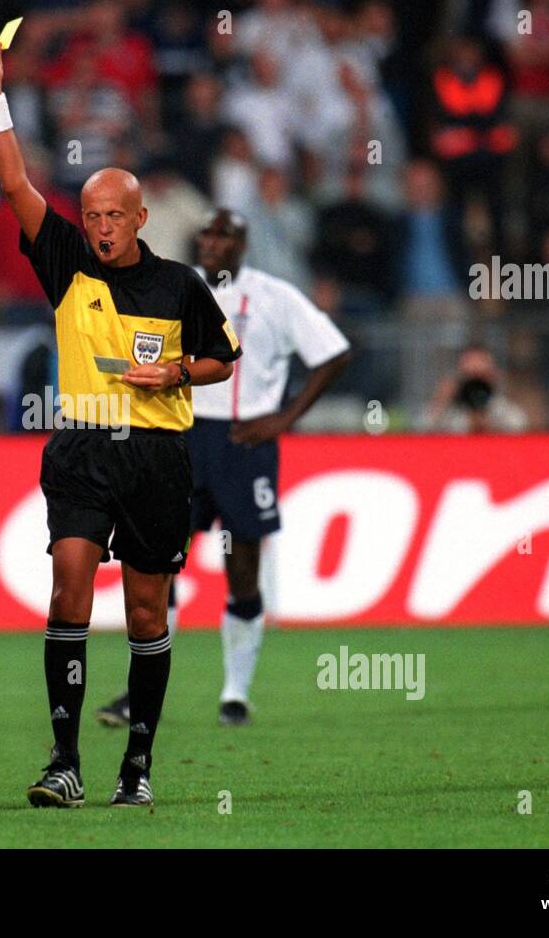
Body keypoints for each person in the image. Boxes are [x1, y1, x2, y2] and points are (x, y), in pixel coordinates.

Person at [0, 40, 241, 808]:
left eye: (115, 214)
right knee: (69, 592)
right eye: (91, 215)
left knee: (148, 609)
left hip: (158, 455)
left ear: (141, 216)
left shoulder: (180, 284)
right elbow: (16, 181)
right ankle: (64, 761)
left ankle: (138, 766)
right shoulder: (65, 261)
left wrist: (177, 372)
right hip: (83, 446)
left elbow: (223, 359)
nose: (101, 226)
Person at [96, 209, 350, 727]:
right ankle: (139, 694)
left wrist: (283, 417)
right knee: (158, 570)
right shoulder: (175, 286)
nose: (212, 242)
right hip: (181, 437)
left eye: (224, 235)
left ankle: (235, 691)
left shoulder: (275, 297)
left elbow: (333, 353)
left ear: (243, 243)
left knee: (243, 570)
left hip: (244, 441)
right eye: (207, 234)